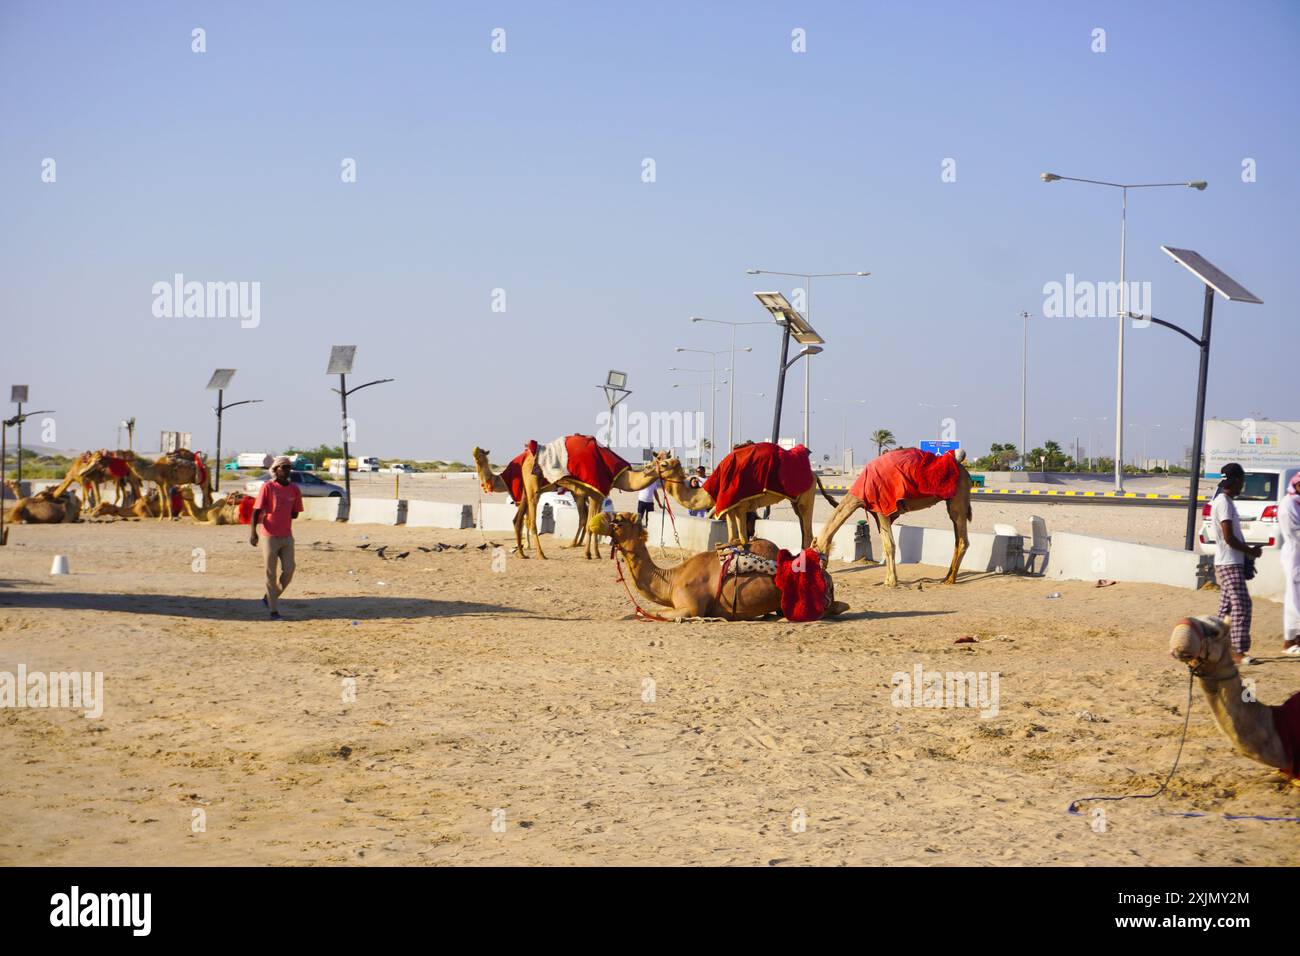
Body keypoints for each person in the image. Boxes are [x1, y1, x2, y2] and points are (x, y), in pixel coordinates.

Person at [1212, 462, 1262, 660]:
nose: (1242, 486)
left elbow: (1233, 537)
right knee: (1242, 605)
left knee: (1226, 608)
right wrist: (1249, 551)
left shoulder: (1225, 501)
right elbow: (1229, 538)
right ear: (1237, 481)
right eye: (1242, 482)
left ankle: (1212, 644)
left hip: (1230, 562)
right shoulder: (1223, 502)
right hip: (1229, 562)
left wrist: (1247, 553)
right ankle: (1238, 651)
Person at [250, 456, 303, 620]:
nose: (286, 470)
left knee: (289, 570)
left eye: (288, 467)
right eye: (283, 467)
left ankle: (269, 597)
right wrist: (253, 532)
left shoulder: (294, 489)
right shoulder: (268, 487)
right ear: (276, 470)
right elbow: (256, 511)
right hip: (269, 536)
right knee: (270, 573)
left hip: (287, 536)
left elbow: (295, 513)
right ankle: (274, 611)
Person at [1280, 472, 1300, 654]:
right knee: (1294, 597)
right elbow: (1295, 532)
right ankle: (1289, 641)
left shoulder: (1297, 502)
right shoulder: (1288, 504)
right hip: (1294, 554)